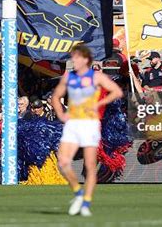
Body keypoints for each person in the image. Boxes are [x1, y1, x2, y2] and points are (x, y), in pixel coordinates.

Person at [51, 44, 123, 217]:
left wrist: (98, 104)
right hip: (73, 123)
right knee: (63, 161)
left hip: (90, 124)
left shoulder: (97, 76)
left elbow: (116, 92)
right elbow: (55, 96)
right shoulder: (69, 77)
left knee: (90, 165)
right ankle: (78, 193)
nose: (74, 61)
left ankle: (86, 202)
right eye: (73, 58)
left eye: (77, 58)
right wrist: (61, 113)